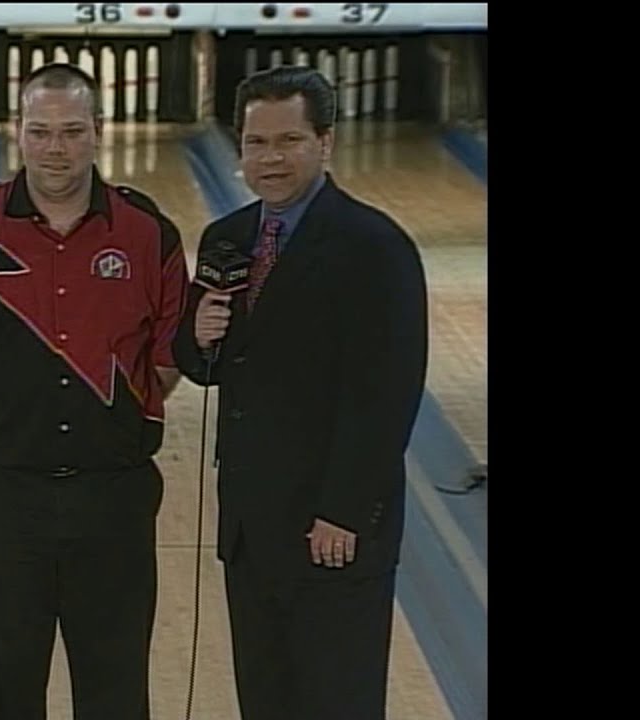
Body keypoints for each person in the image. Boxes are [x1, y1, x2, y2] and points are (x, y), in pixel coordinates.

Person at [0, 63, 189, 720]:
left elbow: (166, 359)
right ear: (16, 134)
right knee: (5, 690)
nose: (56, 148)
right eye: (40, 131)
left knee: (116, 689)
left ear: (99, 132)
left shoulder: (148, 233)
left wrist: (104, 421)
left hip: (111, 498)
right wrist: (5, 418)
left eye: (72, 131)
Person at [172, 65, 429, 720]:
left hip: (331, 526)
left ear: (326, 143)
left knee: (335, 700)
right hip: (251, 526)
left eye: (289, 141)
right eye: (256, 143)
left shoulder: (375, 247)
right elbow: (206, 366)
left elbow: (386, 394)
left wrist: (343, 510)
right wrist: (197, 337)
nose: (270, 159)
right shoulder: (226, 238)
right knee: (266, 698)